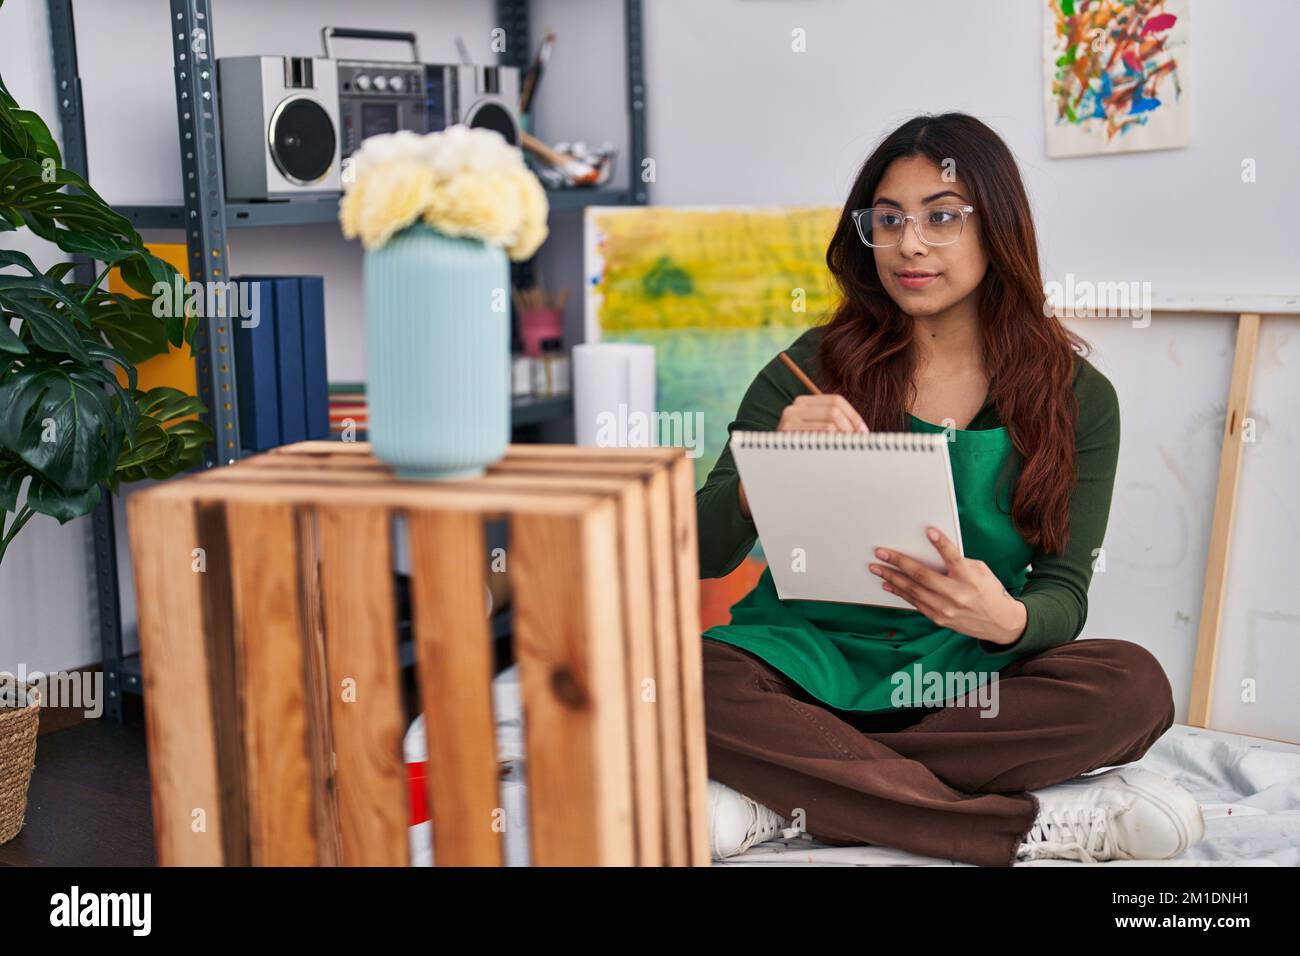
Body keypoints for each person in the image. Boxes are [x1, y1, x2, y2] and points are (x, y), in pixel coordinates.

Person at [697, 112, 1204, 866]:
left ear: (997, 227)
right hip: (801, 664)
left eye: (942, 217)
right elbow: (704, 550)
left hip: (969, 683)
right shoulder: (807, 366)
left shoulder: (1078, 397)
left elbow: (1064, 593)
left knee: (1134, 687)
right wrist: (762, 468)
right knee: (674, 682)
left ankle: (793, 792)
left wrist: (1006, 619)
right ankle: (1012, 826)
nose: (910, 244)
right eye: (888, 220)